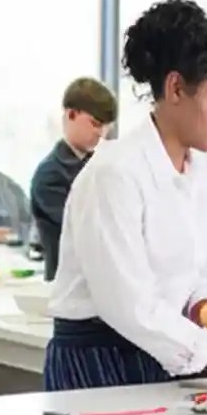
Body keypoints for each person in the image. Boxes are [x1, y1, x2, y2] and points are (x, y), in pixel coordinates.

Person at [44, 0, 207, 400]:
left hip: (164, 354)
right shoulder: (115, 173)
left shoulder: (202, 170)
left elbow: (201, 273)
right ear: (176, 88)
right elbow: (130, 307)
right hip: (98, 362)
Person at [29, 77, 118, 281]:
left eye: (106, 128)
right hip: (67, 288)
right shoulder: (49, 175)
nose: (101, 134)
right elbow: (84, 232)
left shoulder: (102, 166)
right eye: (95, 124)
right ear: (71, 114)